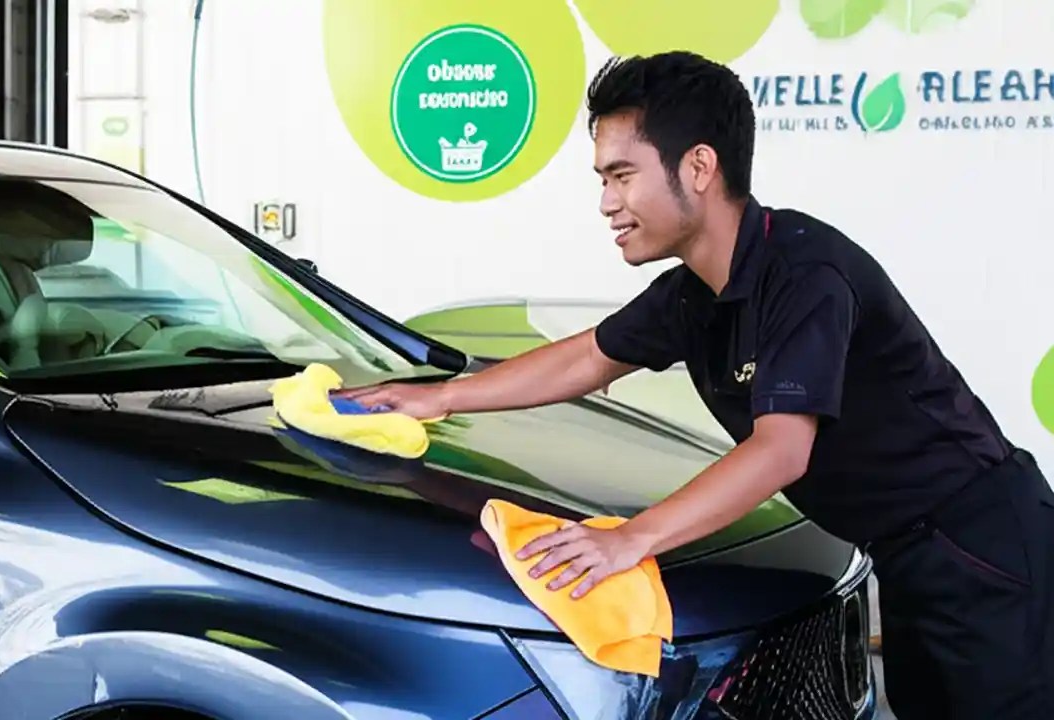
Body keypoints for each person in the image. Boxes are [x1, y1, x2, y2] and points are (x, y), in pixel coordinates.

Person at [340, 51, 1054, 718]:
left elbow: (782, 450)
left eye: (621, 175)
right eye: (602, 180)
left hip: (982, 550)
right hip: (907, 557)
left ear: (700, 166)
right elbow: (585, 359)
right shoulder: (691, 293)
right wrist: (436, 397)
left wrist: (631, 540)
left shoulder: (804, 273)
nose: (606, 203)